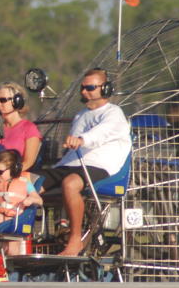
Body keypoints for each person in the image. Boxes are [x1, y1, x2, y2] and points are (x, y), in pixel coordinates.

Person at [39, 68, 131, 257]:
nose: (83, 92)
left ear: (105, 89)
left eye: (90, 88)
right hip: (70, 164)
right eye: (82, 88)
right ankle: (19, 241)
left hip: (99, 165)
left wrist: (82, 140)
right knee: (27, 183)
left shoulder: (114, 113)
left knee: (70, 184)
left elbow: (101, 133)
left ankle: (75, 240)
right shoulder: (80, 115)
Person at [0, 82, 42, 172]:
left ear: (17, 101)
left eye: (3, 100)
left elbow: (28, 162)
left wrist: (9, 173)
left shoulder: (29, 129)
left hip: (18, 175)